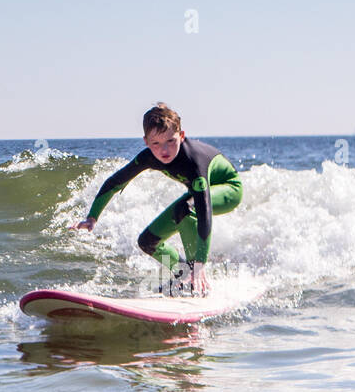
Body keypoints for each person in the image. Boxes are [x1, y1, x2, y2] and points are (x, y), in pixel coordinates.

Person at [74, 103, 242, 295]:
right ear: (146, 141)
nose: (164, 150)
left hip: (229, 190)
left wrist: (200, 262)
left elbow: (204, 213)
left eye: (171, 141)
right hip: (195, 197)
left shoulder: (194, 161)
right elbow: (115, 182)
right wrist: (92, 217)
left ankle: (196, 277)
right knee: (147, 242)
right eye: (156, 143)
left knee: (187, 210)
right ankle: (183, 272)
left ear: (182, 135)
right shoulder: (149, 158)